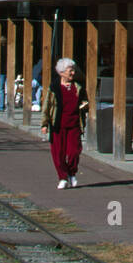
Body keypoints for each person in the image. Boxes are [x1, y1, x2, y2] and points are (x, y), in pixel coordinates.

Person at [40, 58, 88, 189]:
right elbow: (47, 106)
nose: (73, 73)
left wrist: (84, 106)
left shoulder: (78, 87)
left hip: (74, 125)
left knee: (74, 151)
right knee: (58, 153)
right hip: (58, 125)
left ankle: (72, 173)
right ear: (62, 72)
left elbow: (85, 101)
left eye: (73, 70)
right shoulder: (54, 87)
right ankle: (62, 177)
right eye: (70, 71)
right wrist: (44, 124)